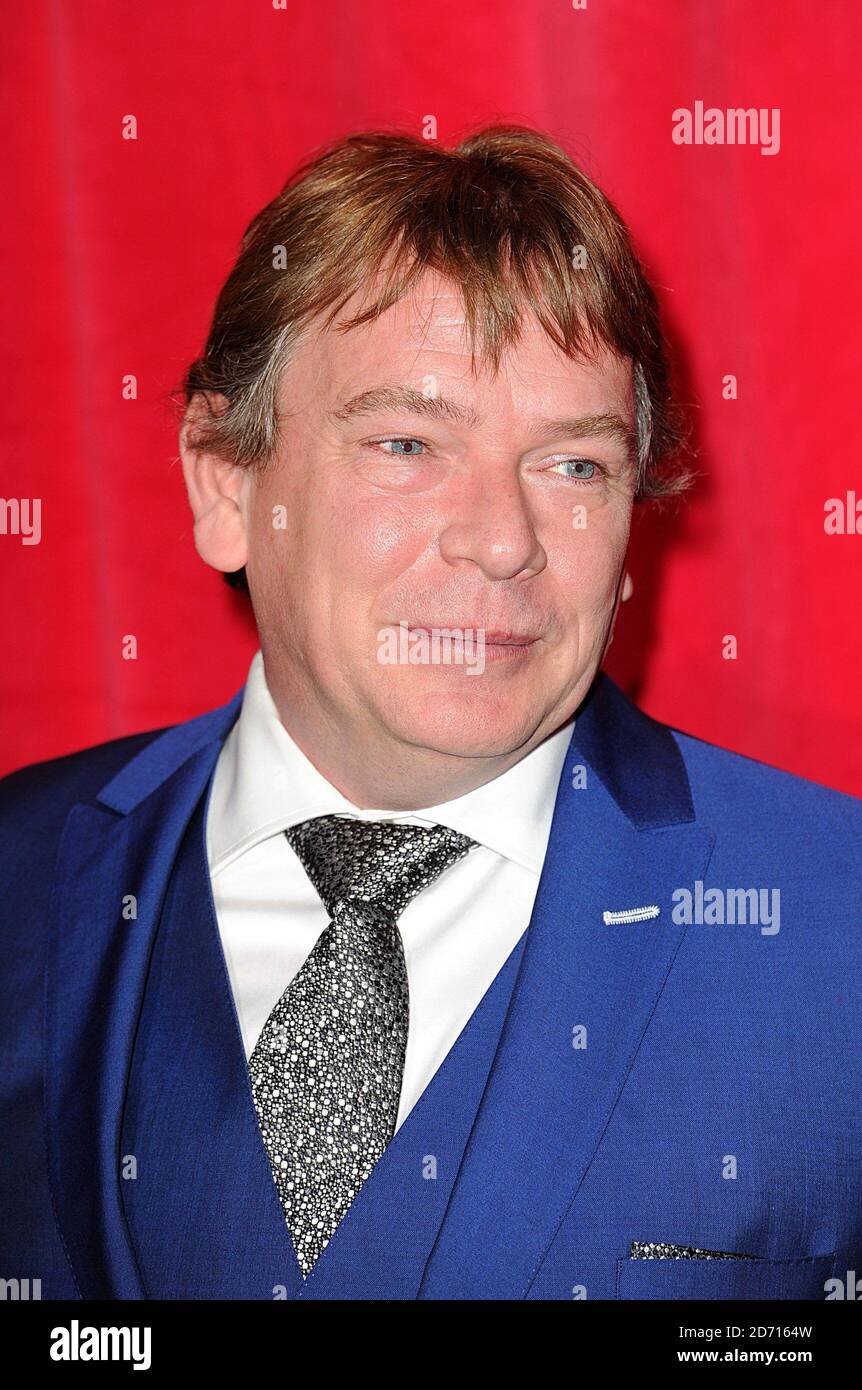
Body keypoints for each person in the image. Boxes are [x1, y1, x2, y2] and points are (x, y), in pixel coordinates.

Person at [1, 126, 859, 1302]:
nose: (503, 540)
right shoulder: (22, 878)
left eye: (574, 466)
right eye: (406, 444)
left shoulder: (833, 928)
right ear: (224, 480)